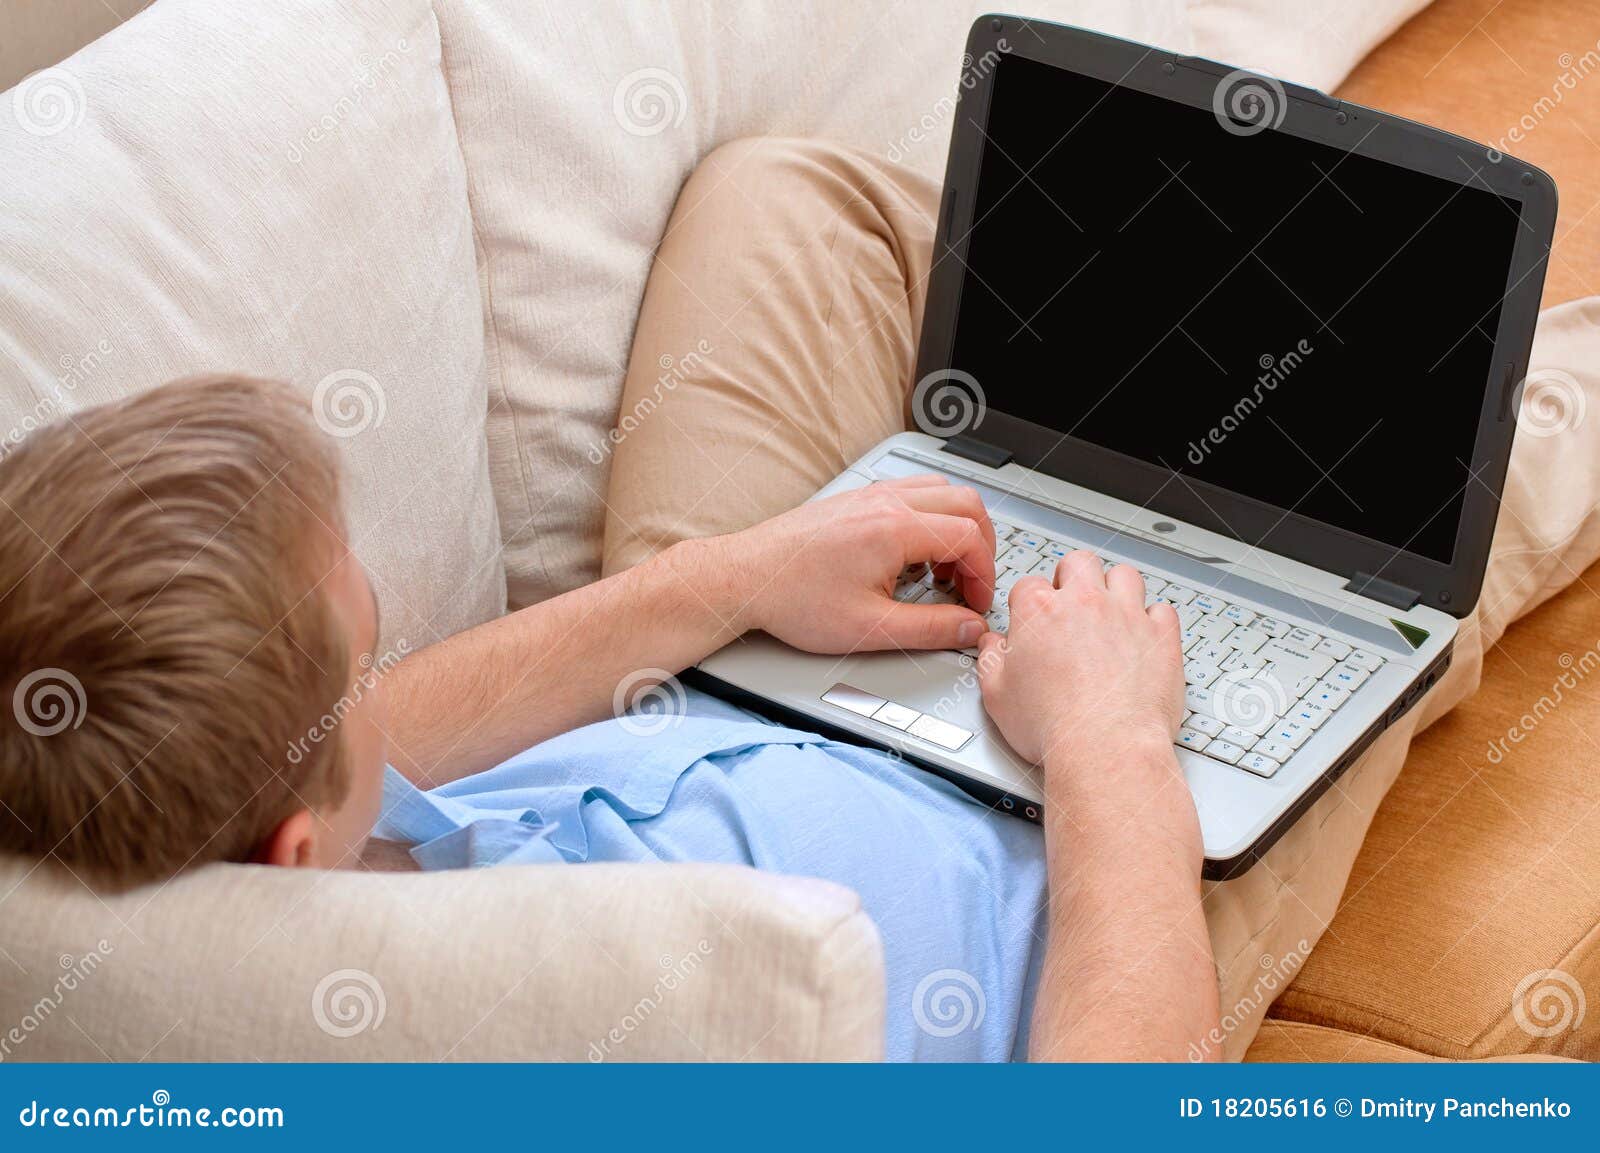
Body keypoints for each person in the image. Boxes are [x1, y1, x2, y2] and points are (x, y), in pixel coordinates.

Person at [4, 138, 1596, 1062]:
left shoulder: (190, 835)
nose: (385, 627)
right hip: (1117, 863)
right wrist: (1112, 743)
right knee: (1389, 560)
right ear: (292, 858)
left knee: (786, 195)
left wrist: (735, 578)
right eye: (361, 634)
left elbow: (376, 744)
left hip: (757, 673)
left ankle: (1102, 410)